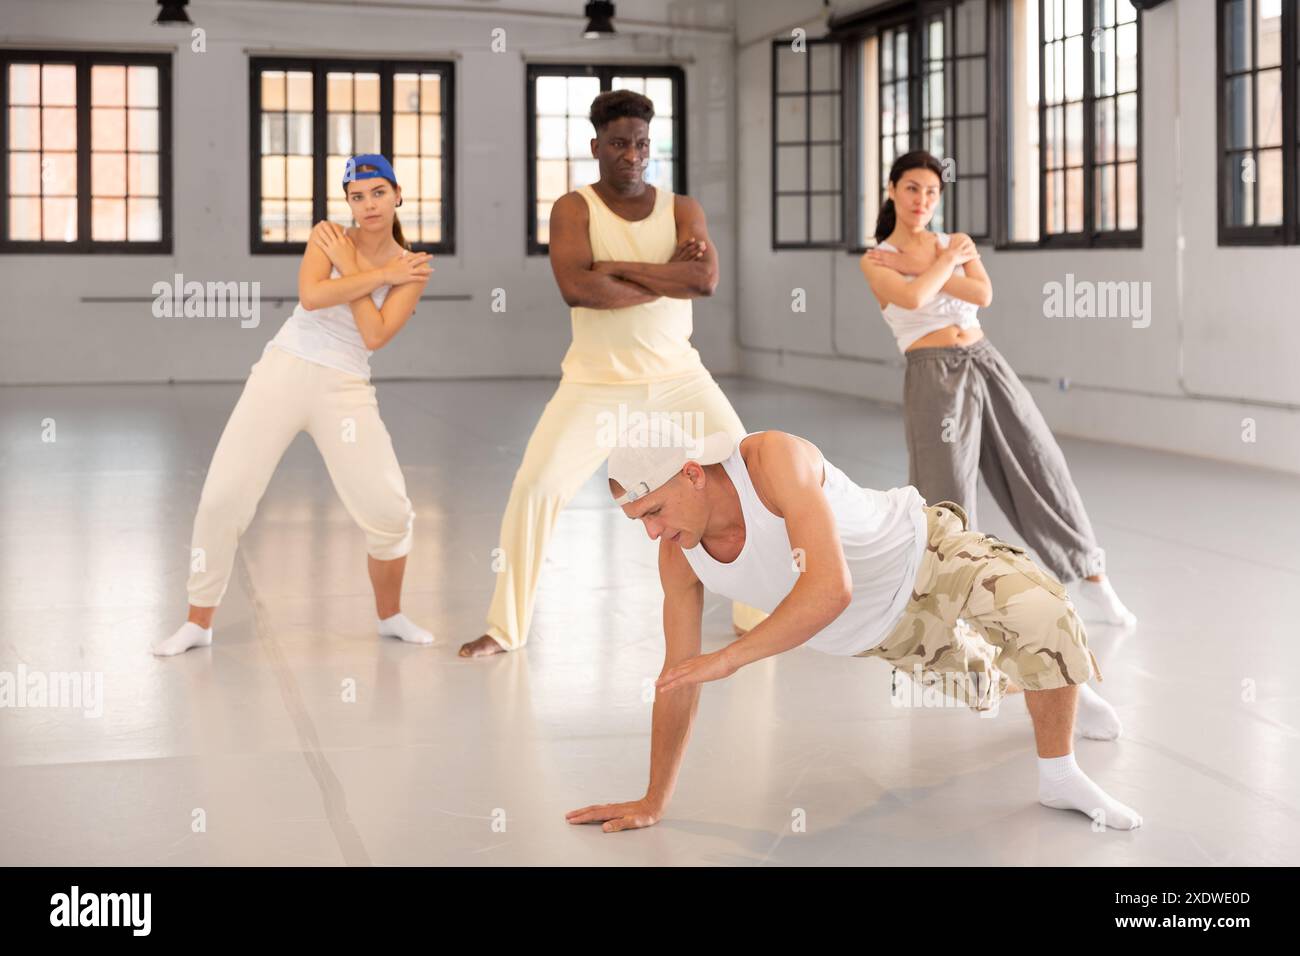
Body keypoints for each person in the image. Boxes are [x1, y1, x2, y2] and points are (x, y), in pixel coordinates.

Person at [567, 424, 1141, 832]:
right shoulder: (679, 557)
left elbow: (828, 589)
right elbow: (677, 680)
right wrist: (653, 799)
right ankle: (1065, 688)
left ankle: (1059, 776)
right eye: (640, 522)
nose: (651, 534)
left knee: (1041, 614)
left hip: (924, 551)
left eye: (654, 513)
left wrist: (730, 658)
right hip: (881, 633)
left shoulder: (770, 461)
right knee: (990, 684)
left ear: (692, 474)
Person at [459, 90, 765, 658]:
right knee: (536, 487)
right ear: (597, 146)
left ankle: (755, 612)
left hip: (680, 377)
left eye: (642, 144)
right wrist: (662, 274)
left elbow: (703, 281)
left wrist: (618, 268)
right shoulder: (573, 208)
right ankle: (505, 627)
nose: (632, 155)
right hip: (595, 384)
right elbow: (579, 289)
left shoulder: (682, 208)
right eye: (620, 144)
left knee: (744, 468)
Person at [153, 154, 435, 656]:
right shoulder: (328, 236)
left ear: (397, 195)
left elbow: (372, 334)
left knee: (389, 510)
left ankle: (390, 616)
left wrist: (351, 273)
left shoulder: (410, 268)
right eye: (357, 196)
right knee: (223, 497)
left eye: (377, 193)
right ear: (347, 201)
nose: (367, 205)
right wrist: (372, 275)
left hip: (345, 384)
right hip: (283, 370)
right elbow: (309, 297)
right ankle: (198, 622)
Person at [859, 150, 1136, 627]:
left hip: (986, 360)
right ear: (891, 190)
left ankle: (1091, 578)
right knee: (944, 491)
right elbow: (913, 297)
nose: (921, 199)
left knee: (1041, 461)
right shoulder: (877, 258)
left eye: (931, 191)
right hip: (932, 372)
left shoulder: (952, 242)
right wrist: (947, 261)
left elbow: (982, 295)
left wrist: (932, 259)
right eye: (911, 188)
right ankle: (954, 609)